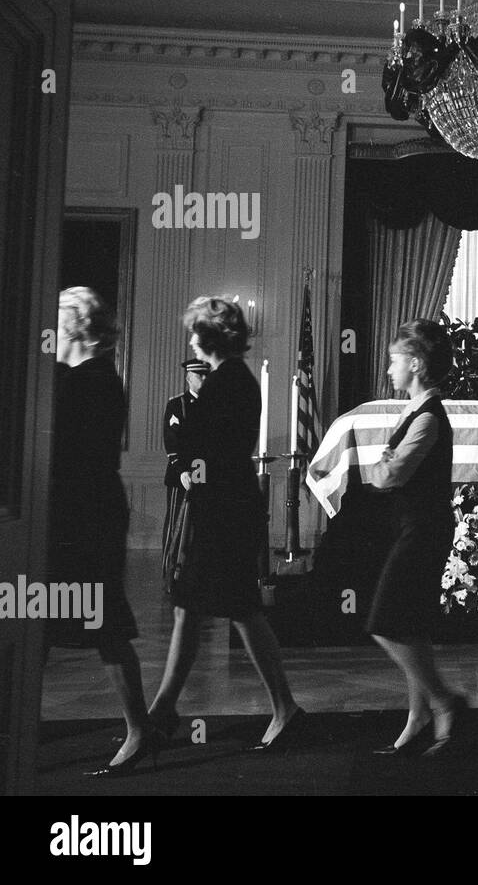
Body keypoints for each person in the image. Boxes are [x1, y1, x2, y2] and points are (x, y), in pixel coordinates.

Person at [148, 297, 304, 752]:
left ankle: (164, 713)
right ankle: (280, 707)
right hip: (229, 511)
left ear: (210, 337)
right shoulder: (233, 380)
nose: (191, 340)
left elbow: (202, 452)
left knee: (207, 608)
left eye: (196, 332)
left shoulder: (225, 383)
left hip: (224, 515)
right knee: (223, 609)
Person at [49, 287, 153, 777]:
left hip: (86, 518)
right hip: (70, 515)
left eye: (58, 317)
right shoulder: (73, 378)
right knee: (39, 624)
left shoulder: (92, 381)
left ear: (75, 326)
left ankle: (139, 729)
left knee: (106, 624)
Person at [367, 319, 468, 758]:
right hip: (415, 526)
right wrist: (383, 467)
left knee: (384, 623)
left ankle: (444, 700)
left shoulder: (426, 419)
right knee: (412, 625)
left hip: (423, 529)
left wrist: (382, 466)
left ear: (416, 363)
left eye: (394, 360)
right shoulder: (415, 412)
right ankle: (417, 719)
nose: (389, 368)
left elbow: (389, 474)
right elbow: (386, 471)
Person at [161, 359, 209, 592]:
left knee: (200, 525)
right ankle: (171, 575)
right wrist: (182, 471)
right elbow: (171, 439)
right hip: (180, 473)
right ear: (189, 378)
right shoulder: (177, 405)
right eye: (199, 376)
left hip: (203, 471)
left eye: (206, 375)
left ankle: (196, 575)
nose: (204, 380)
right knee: (176, 526)